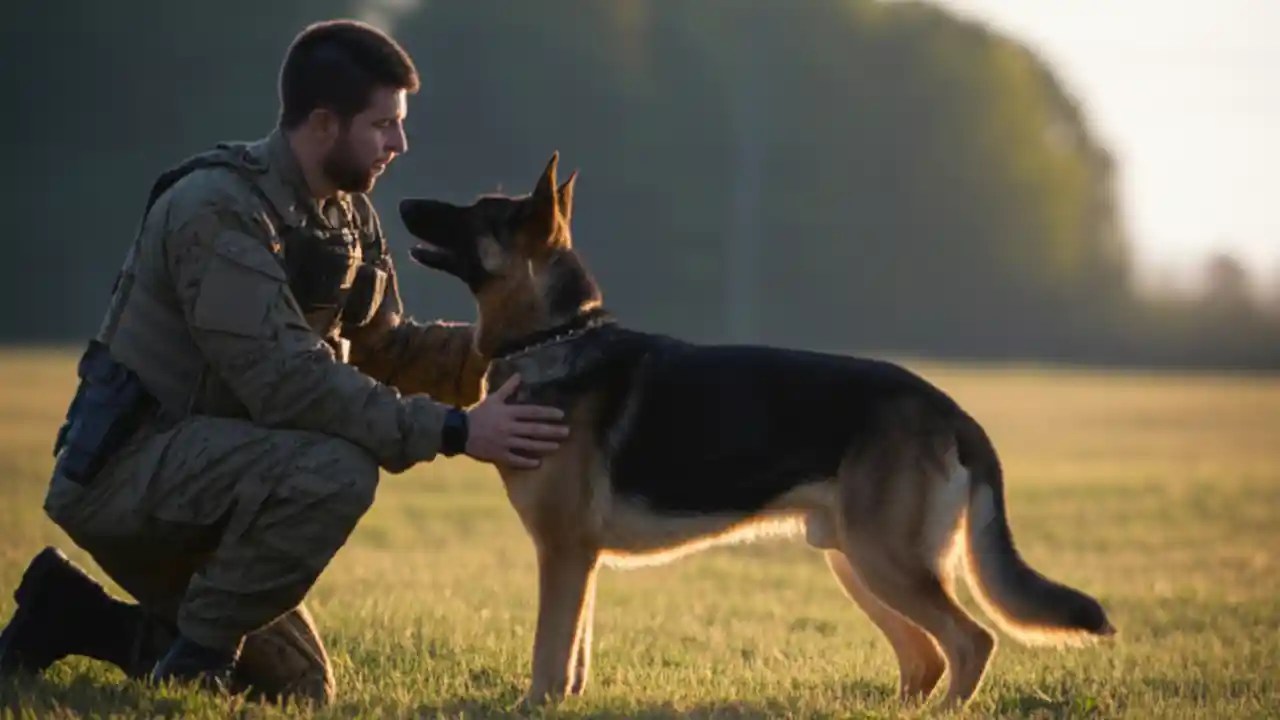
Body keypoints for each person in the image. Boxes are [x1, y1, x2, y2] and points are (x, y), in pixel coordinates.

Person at [0, 19, 567, 705]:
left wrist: (522, 341)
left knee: (297, 689)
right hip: (131, 473)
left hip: (224, 478)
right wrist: (455, 431)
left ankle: (69, 614)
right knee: (334, 471)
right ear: (324, 124)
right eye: (384, 124)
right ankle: (190, 672)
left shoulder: (345, 215)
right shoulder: (217, 212)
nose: (400, 143)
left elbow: (388, 347)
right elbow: (288, 381)